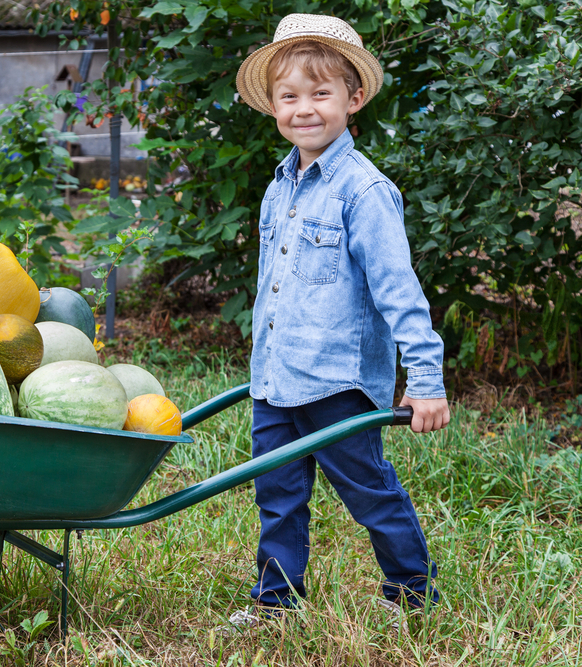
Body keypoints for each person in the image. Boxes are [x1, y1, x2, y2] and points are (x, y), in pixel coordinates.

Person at [228, 14, 450, 627]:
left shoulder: (364, 191)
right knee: (277, 497)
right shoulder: (280, 185)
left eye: (320, 94)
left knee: (369, 491)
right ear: (272, 104)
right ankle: (276, 603)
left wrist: (426, 380)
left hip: (336, 383)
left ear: (352, 100)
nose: (304, 109)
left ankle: (413, 591)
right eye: (289, 96)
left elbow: (398, 292)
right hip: (274, 378)